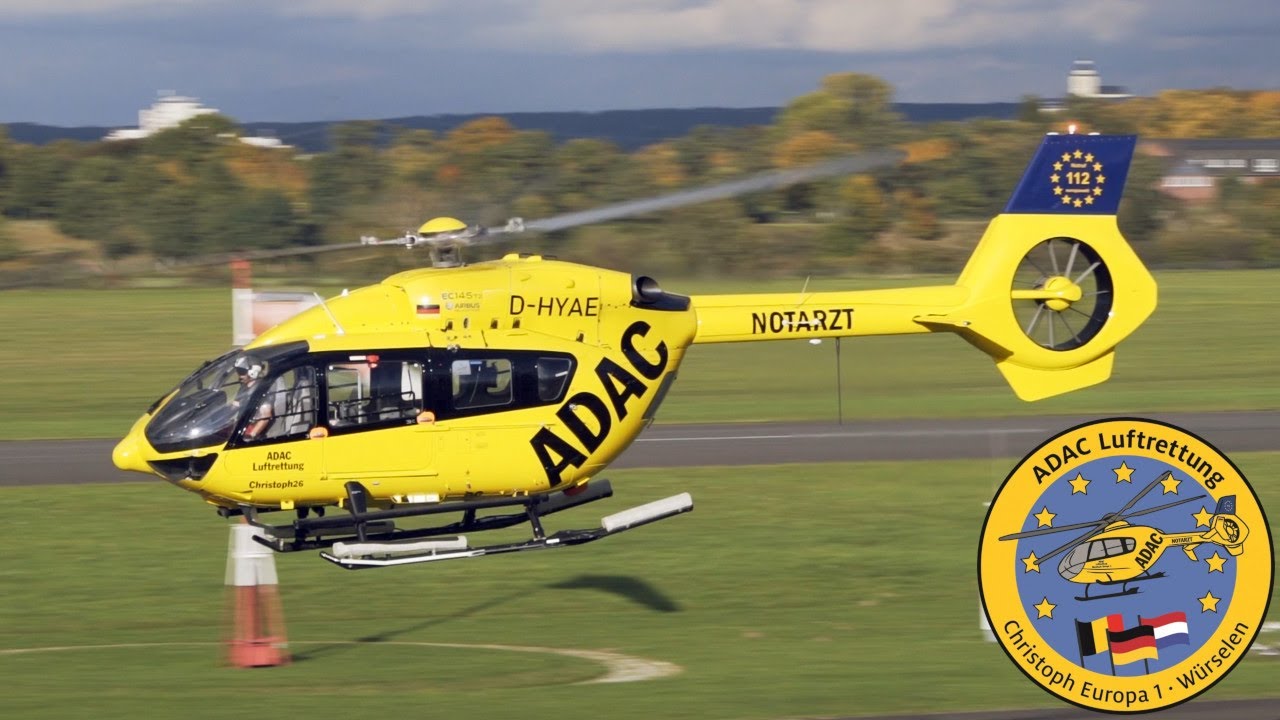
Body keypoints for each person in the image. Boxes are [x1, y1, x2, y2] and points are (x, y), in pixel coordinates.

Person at [233, 355, 274, 440]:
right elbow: (234, 405)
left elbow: (265, 416)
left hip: (251, 430)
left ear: (253, 372)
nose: (239, 375)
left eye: (241, 372)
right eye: (238, 371)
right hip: (241, 426)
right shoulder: (244, 387)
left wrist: (251, 436)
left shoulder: (262, 389)